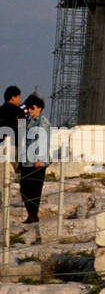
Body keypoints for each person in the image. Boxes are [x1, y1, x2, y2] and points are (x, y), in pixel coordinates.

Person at [18, 93, 49, 225]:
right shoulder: (29, 122)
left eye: (33, 108)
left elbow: (42, 140)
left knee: (34, 189)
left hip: (36, 161)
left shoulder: (42, 122)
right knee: (24, 187)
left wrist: (39, 159)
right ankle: (31, 214)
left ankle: (33, 215)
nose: (30, 110)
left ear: (39, 108)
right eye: (29, 108)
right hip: (27, 160)